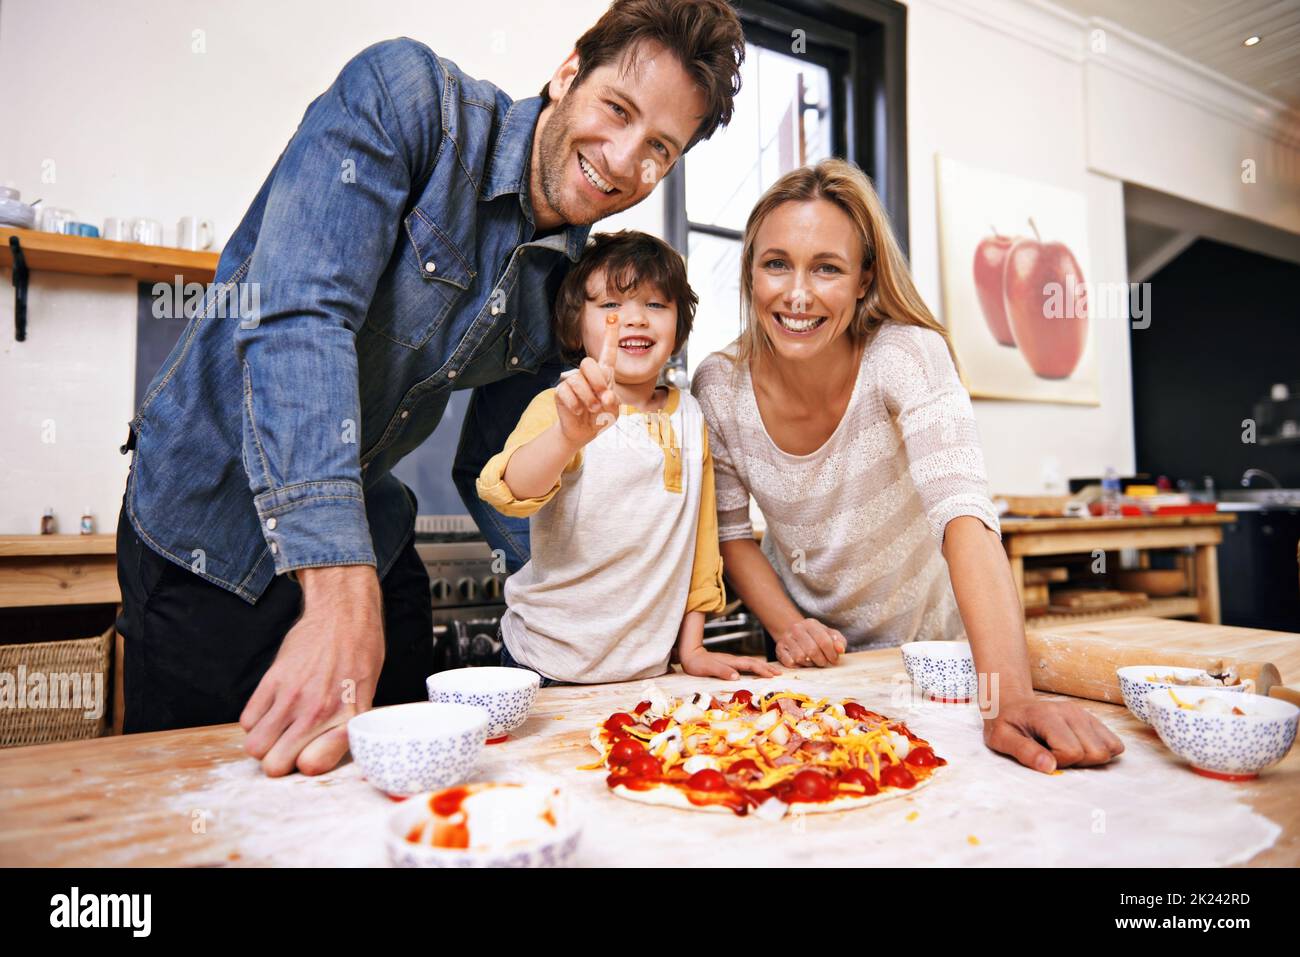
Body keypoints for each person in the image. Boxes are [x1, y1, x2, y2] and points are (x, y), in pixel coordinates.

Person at [114, 0, 745, 778]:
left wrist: (583, 610)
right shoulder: (407, 100)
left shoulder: (569, 279)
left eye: (658, 148)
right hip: (207, 528)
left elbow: (500, 461)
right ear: (567, 72)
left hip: (374, 537)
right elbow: (296, 318)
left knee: (401, 792)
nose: (621, 160)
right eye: (616, 110)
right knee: (209, 797)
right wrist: (340, 596)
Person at [691, 159, 1125, 773]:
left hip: (936, 658)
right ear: (751, 270)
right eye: (776, 263)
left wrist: (1010, 697)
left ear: (865, 279)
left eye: (827, 268)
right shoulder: (719, 385)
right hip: (814, 664)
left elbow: (964, 517)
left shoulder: (905, 356)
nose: (796, 292)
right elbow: (732, 535)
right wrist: (789, 626)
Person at [477, 231, 779, 685]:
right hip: (545, 663)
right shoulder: (563, 404)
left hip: (645, 673)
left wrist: (692, 647)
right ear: (577, 325)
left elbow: (700, 541)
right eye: (612, 306)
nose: (635, 319)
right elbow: (510, 491)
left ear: (678, 325)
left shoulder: (691, 415)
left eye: (656, 305)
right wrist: (568, 436)